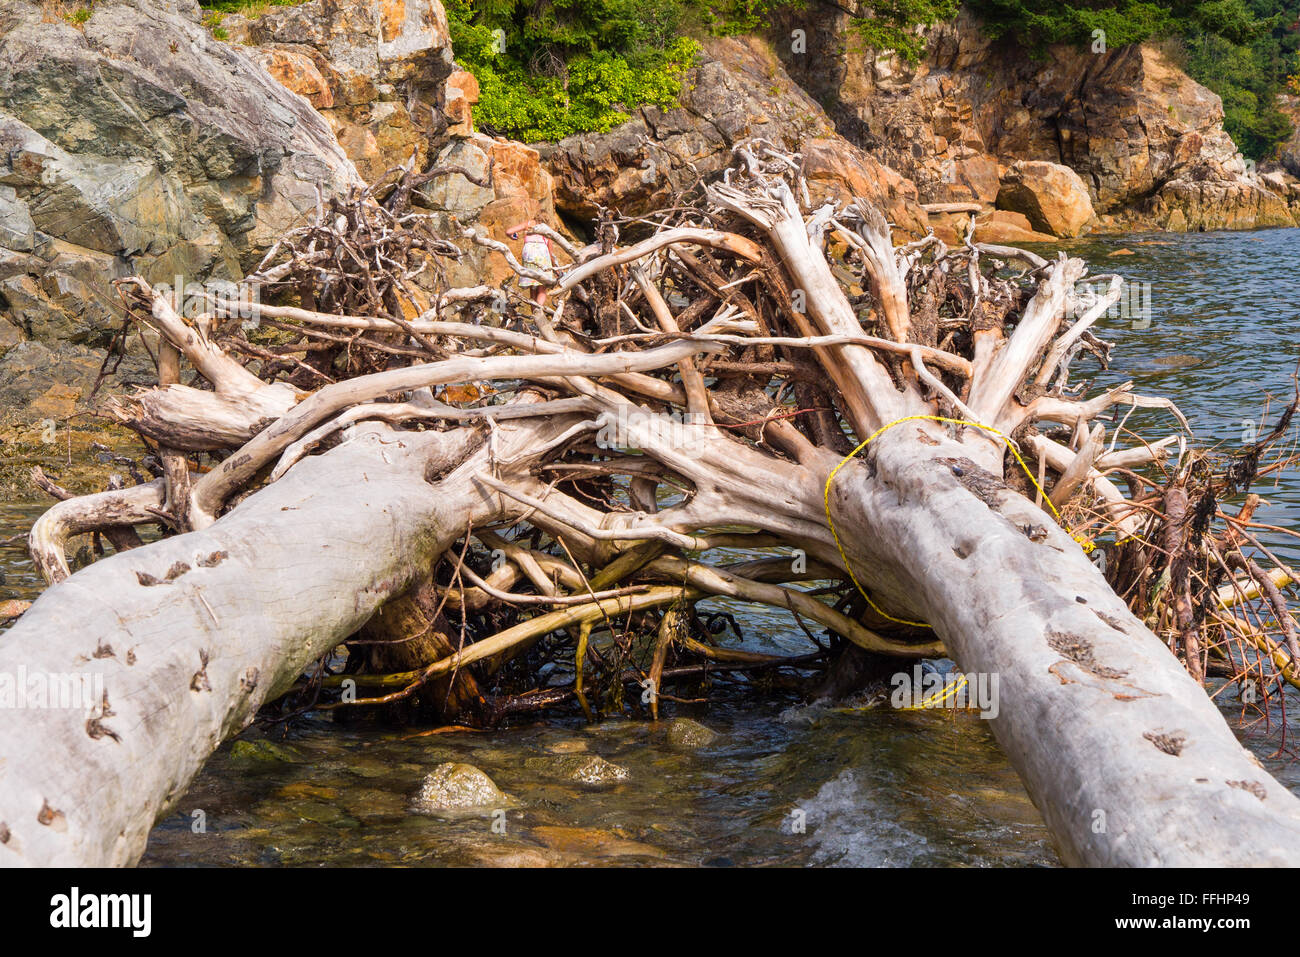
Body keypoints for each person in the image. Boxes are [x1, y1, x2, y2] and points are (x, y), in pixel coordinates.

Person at [505, 219, 555, 310]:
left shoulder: (528, 224)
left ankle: (534, 316)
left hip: (528, 255)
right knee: (542, 288)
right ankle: (539, 310)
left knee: (533, 287)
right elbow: (551, 253)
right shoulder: (548, 229)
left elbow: (508, 231)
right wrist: (556, 268)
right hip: (542, 255)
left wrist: (513, 236)